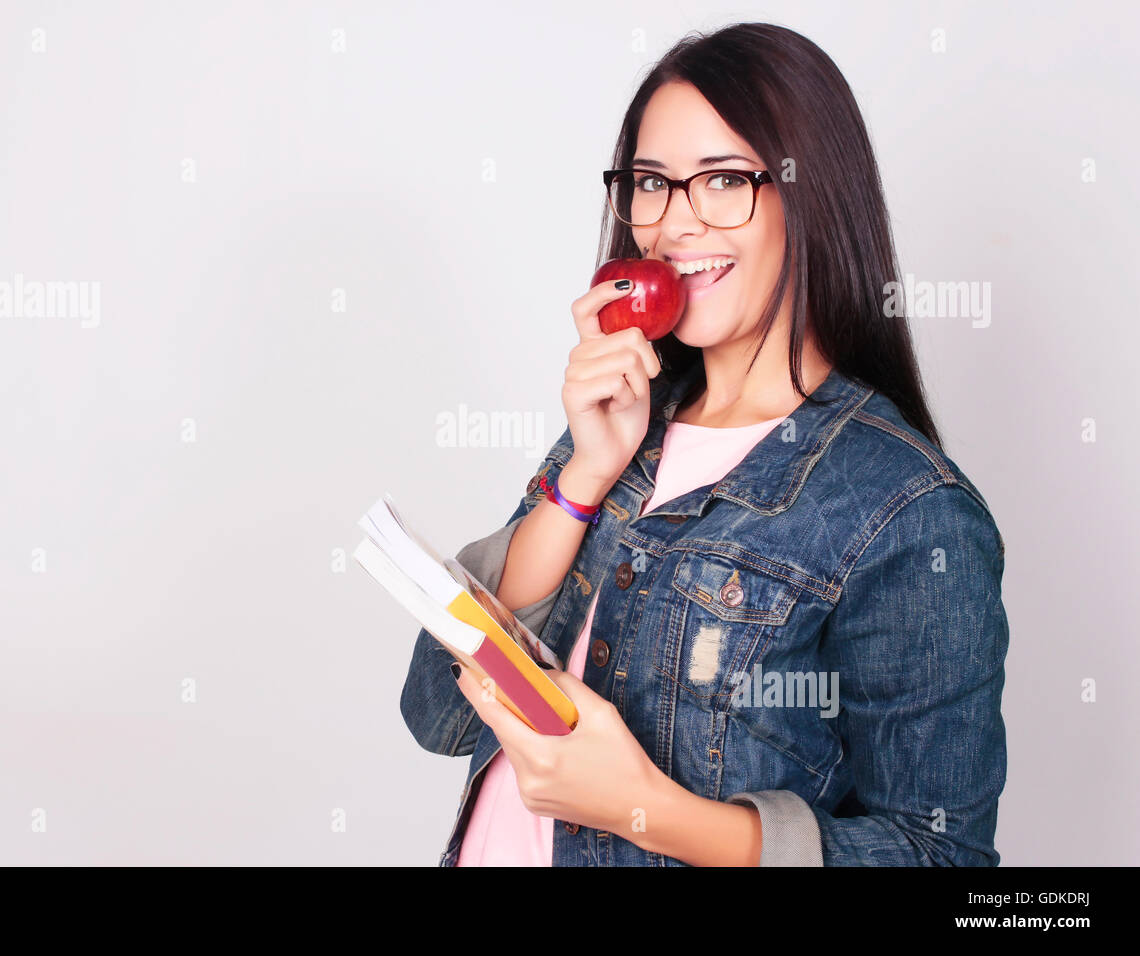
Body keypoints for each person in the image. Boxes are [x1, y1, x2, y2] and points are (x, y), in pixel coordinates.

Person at [399, 22, 1009, 866]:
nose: (676, 225)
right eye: (652, 183)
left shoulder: (906, 512)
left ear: (812, 194)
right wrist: (583, 476)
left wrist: (644, 809)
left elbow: (943, 859)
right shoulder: (623, 423)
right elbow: (439, 712)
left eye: (723, 181)